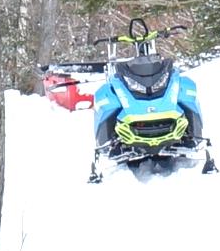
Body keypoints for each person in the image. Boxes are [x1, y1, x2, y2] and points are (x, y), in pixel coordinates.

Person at [88, 29, 211, 178]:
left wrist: (168, 32)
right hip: (128, 76)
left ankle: (190, 135)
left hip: (156, 73)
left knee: (186, 88)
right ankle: (110, 140)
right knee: (106, 95)